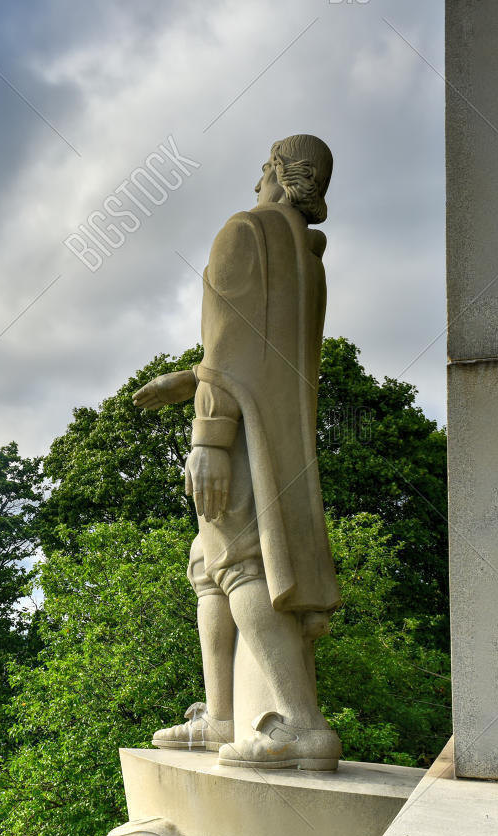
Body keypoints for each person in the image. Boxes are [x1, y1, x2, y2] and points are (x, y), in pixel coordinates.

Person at [133, 134, 342, 770]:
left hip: (240, 437)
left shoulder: (245, 231)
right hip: (279, 437)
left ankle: (302, 729)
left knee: (239, 561)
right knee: (208, 560)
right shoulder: (308, 259)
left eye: (262, 170)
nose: (257, 182)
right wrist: (188, 381)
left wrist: (209, 439)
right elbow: (257, 355)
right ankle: (223, 715)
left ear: (278, 173)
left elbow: (227, 348)